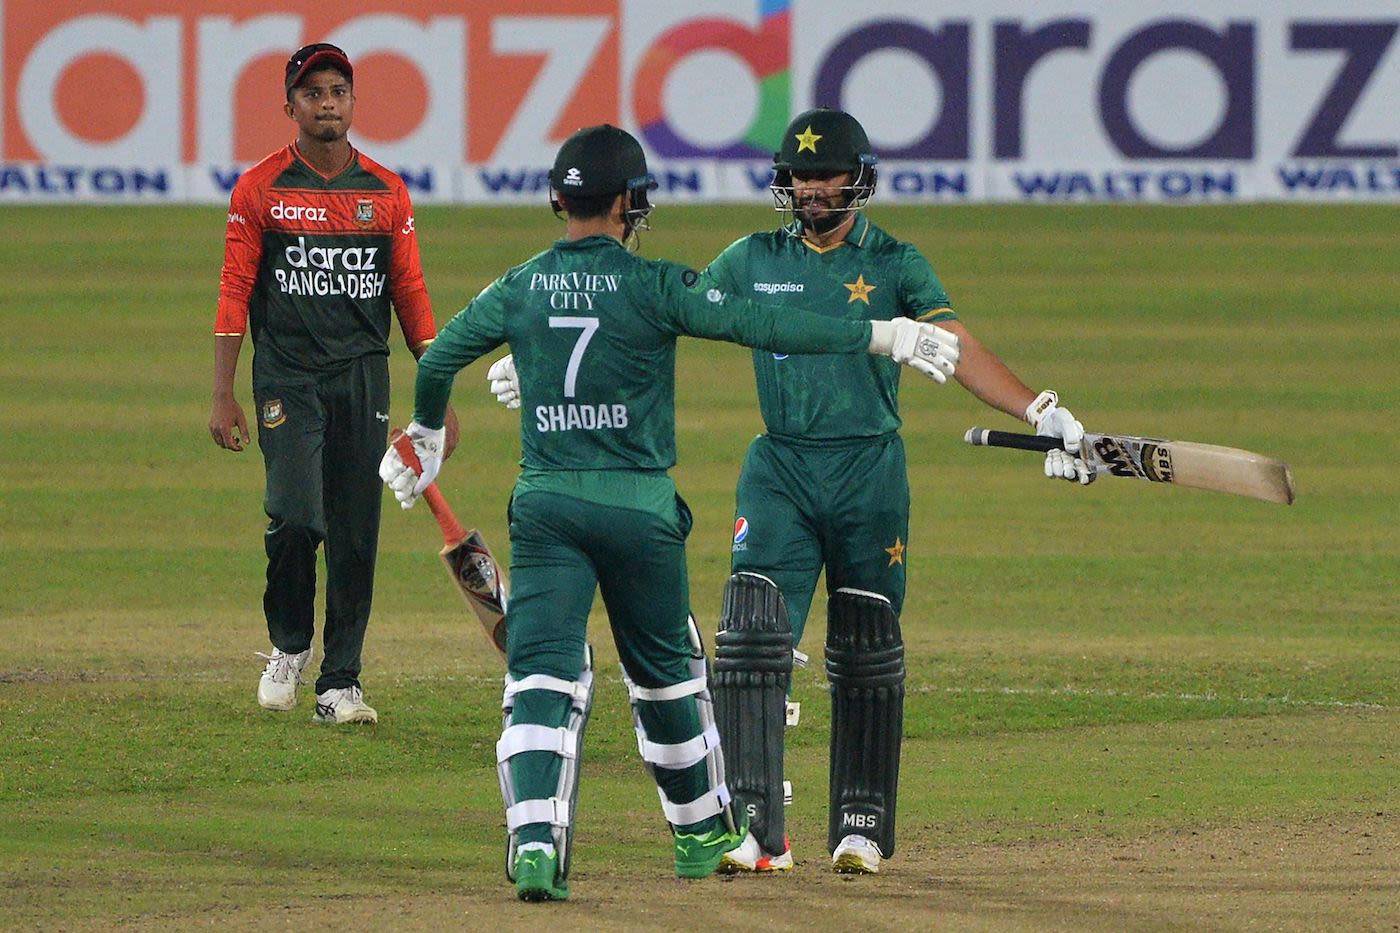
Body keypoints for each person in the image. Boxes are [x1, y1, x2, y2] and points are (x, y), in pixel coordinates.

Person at [377, 123, 959, 901]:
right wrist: (881, 332)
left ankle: (535, 851)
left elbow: (442, 355)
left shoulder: (519, 285)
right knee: (669, 677)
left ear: (559, 199)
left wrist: (425, 435)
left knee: (539, 675)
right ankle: (699, 837)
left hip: (546, 505)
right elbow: (764, 323)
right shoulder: (653, 287)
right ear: (628, 203)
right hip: (638, 512)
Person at [703, 108, 1094, 876]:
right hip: (779, 466)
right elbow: (667, 308)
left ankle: (860, 822)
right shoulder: (749, 258)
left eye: (826, 175)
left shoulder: (894, 262)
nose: (812, 189)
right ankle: (754, 826)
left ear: (858, 178)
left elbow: (956, 347)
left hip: (868, 474)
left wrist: (1041, 412)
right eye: (800, 175)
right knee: (750, 640)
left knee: (865, 646)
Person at [208, 42, 458, 726]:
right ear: (290, 107)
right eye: (312, 92)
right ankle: (289, 644)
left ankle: (339, 683)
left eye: (337, 91)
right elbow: (235, 288)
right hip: (287, 373)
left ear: (352, 103)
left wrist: (437, 397)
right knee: (296, 515)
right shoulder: (260, 188)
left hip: (362, 375)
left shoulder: (384, 190)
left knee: (354, 531)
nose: (327, 102)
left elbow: (409, 292)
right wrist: (224, 391)